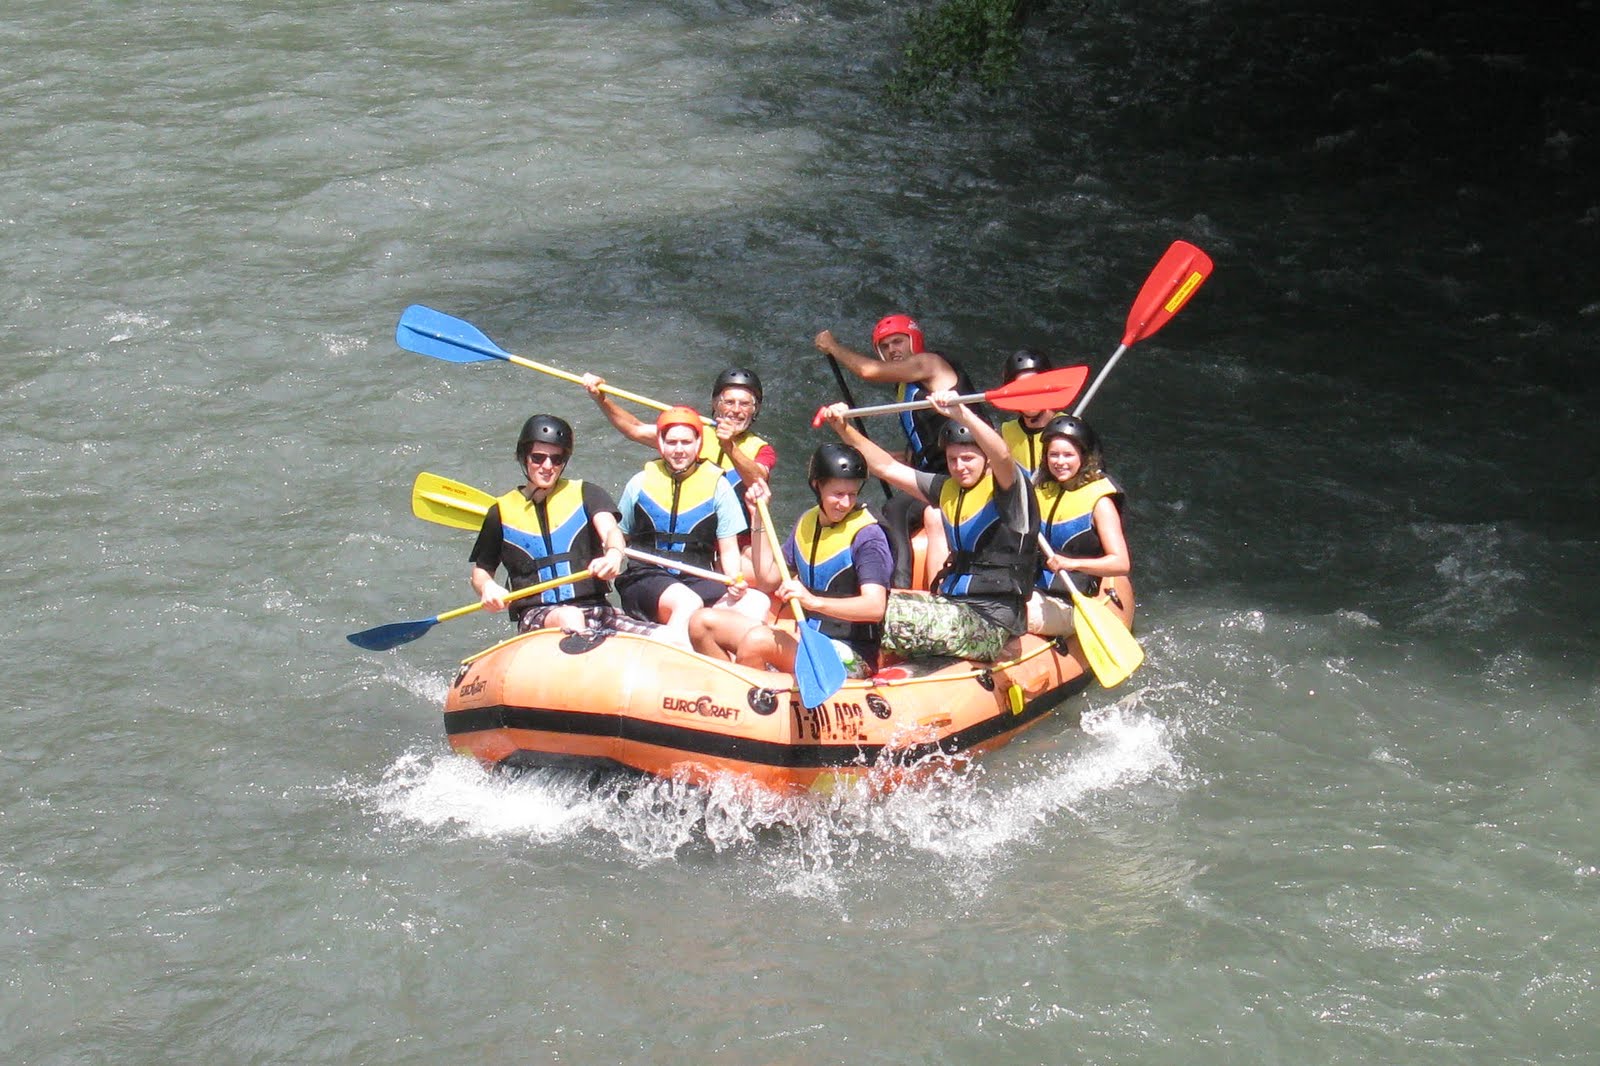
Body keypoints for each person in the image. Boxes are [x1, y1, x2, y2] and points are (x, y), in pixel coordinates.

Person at [818, 392, 1039, 663]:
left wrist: (961, 412)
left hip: (993, 622)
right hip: (955, 607)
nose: (959, 467)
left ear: (986, 459)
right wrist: (844, 429)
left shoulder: (1009, 491)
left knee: (889, 614)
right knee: (876, 603)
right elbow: (886, 467)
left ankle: (852, 660)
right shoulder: (947, 489)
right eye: (952, 459)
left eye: (968, 458)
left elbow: (1003, 454)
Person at [688, 445, 892, 678]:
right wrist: (758, 515)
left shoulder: (868, 536)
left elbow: (875, 607)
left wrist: (814, 602)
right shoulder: (808, 522)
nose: (845, 503)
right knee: (702, 623)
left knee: (758, 641)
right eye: (837, 494)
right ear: (817, 486)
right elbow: (767, 580)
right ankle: (730, 699)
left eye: (852, 494)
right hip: (807, 639)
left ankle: (753, 699)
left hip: (850, 652)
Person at [814, 314, 976, 585]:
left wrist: (833, 346)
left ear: (915, 341)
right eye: (885, 346)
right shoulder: (907, 386)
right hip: (936, 474)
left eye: (898, 342)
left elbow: (868, 372)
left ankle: (899, 585)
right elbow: (921, 447)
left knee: (894, 509)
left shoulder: (930, 364)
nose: (892, 350)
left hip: (961, 473)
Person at [469, 414, 656, 637]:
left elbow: (610, 531)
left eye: (556, 459)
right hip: (537, 615)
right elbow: (481, 571)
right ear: (524, 458)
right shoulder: (499, 512)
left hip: (597, 610)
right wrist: (487, 588)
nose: (547, 466)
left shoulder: (587, 493)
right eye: (538, 458)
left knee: (671, 638)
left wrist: (614, 554)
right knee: (570, 616)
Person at [613, 406, 769, 645]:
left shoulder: (719, 487)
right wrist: (609, 557)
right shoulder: (640, 482)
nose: (679, 450)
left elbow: (728, 549)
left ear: (698, 445)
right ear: (661, 445)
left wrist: (734, 580)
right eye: (672, 442)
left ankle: (730, 659)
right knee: (687, 603)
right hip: (645, 577)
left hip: (696, 577)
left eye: (686, 442)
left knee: (756, 602)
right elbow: (619, 535)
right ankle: (667, 656)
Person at [580, 367, 777, 516]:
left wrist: (729, 447)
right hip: (694, 530)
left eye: (744, 404)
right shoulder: (691, 433)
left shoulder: (761, 449)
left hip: (735, 537)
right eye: (729, 402)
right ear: (716, 405)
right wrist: (601, 399)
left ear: (755, 409)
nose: (736, 410)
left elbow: (758, 481)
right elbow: (635, 429)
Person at [1027, 415, 1131, 636]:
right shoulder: (1040, 491)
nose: (1060, 462)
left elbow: (1121, 563)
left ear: (1083, 457)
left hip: (1074, 598)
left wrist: (1071, 563)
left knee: (1015, 612)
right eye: (1053, 454)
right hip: (1034, 589)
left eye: (1068, 455)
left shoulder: (1100, 502)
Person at [997, 349, 1067, 478]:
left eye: (1035, 386)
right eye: (1021, 388)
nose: (1029, 395)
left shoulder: (1072, 429)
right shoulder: (1004, 433)